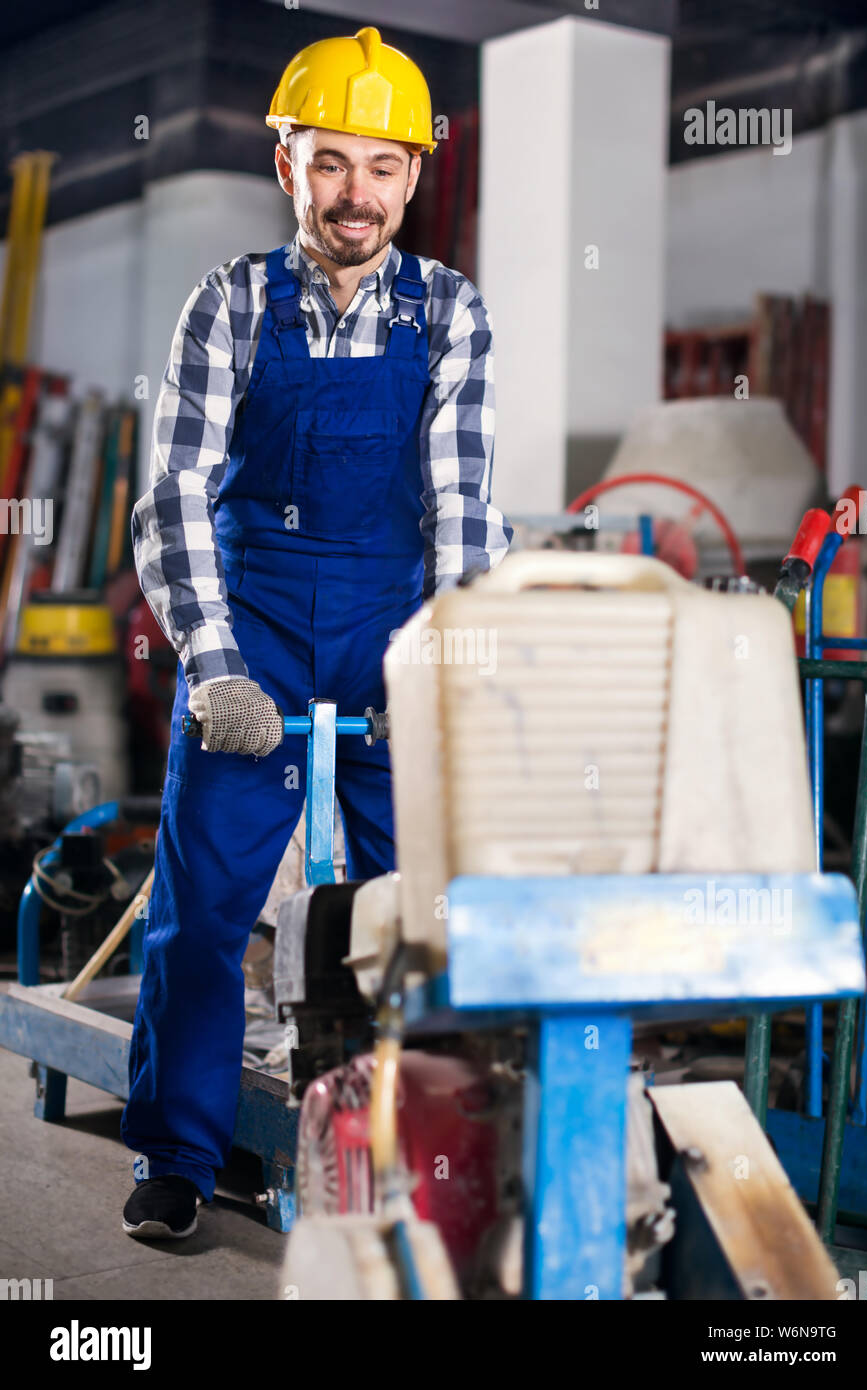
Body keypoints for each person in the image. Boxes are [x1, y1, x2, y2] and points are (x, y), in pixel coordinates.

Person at [120, 25, 512, 1239]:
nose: (359, 194)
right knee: (206, 906)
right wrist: (214, 661)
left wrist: (444, 665)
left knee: (416, 911)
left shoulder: (449, 312)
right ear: (286, 162)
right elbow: (176, 491)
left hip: (391, 626)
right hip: (257, 626)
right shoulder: (230, 302)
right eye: (331, 162)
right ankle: (180, 1158)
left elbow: (462, 505)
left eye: (384, 166)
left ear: (413, 174)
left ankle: (411, 1176)